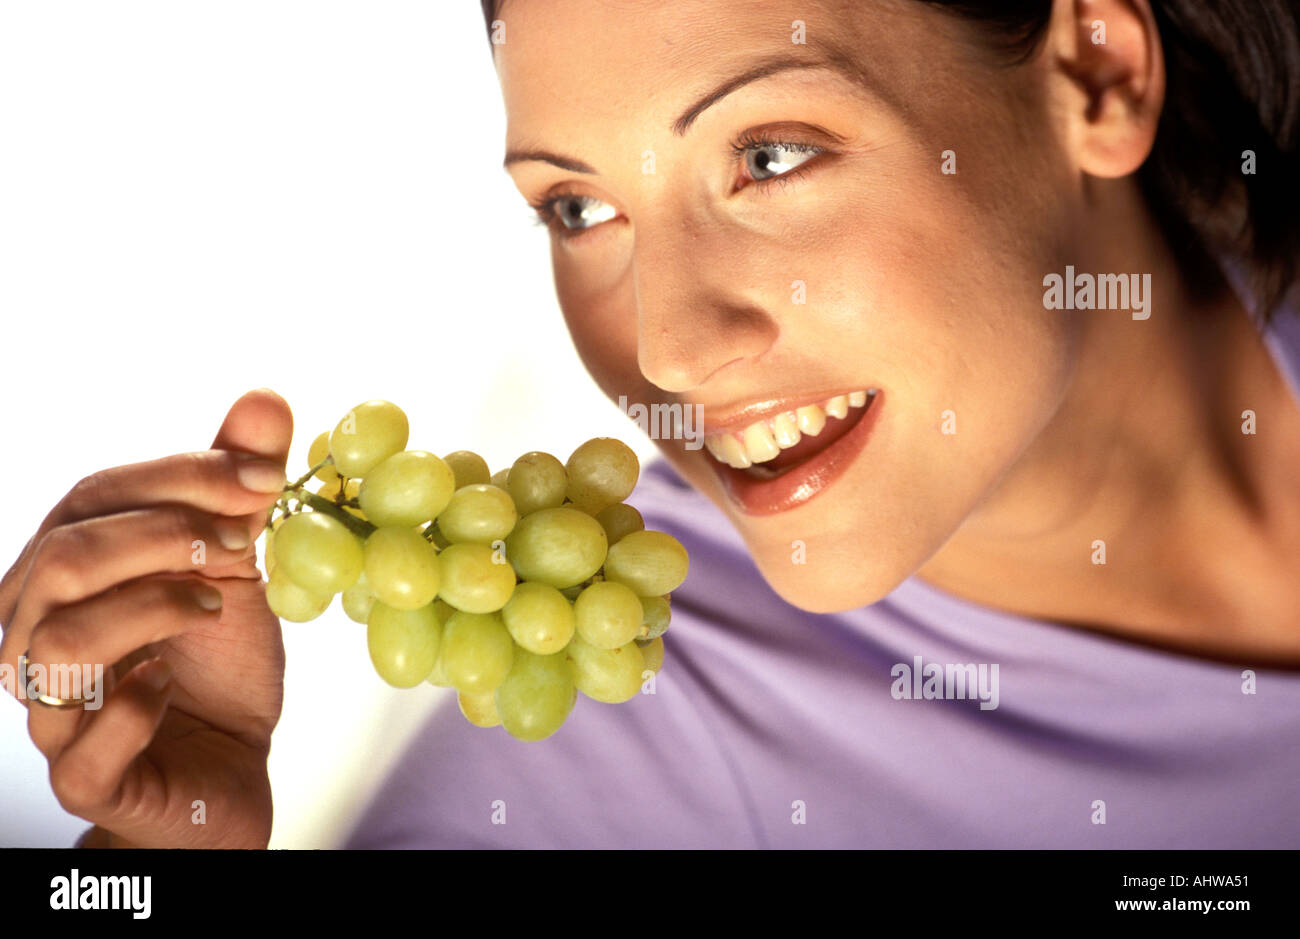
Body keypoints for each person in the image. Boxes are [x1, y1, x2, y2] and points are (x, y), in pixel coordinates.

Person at [2, 0, 1298, 848]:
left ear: (1095, 72)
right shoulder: (603, 743)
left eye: (770, 156)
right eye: (577, 210)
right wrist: (136, 875)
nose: (668, 347)